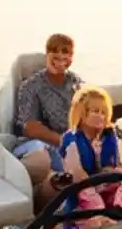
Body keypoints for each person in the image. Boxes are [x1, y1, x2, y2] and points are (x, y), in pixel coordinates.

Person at [57, 86, 122, 229]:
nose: (100, 116)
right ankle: (101, 226)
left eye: (103, 112)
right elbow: (77, 174)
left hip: (106, 184)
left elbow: (113, 168)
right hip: (82, 188)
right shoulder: (72, 140)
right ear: (81, 113)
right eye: (95, 111)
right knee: (93, 203)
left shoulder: (111, 136)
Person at [13, 33, 83, 188]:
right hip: (37, 145)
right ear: (47, 54)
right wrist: (65, 142)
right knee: (40, 157)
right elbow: (31, 128)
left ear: (72, 58)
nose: (60, 56)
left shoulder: (76, 83)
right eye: (55, 51)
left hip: (71, 144)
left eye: (65, 52)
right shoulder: (30, 86)